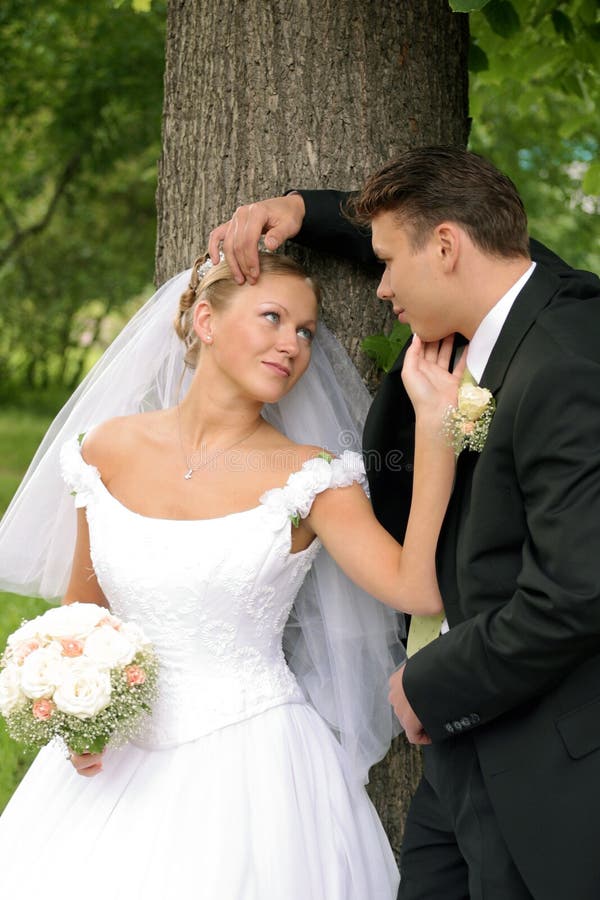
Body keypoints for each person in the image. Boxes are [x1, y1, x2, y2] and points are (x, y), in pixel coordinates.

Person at [0, 250, 463, 898]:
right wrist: (79, 718)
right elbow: (82, 615)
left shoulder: (313, 477)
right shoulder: (106, 449)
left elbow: (416, 588)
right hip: (112, 764)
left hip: (253, 769)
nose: (292, 345)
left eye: (306, 331)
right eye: (273, 318)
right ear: (205, 321)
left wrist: (438, 434)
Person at [209, 146, 600, 899]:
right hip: (466, 744)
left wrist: (431, 683)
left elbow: (576, 592)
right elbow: (435, 231)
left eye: (388, 262)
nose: (381, 284)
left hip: (546, 755)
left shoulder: (570, 360)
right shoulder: (512, 303)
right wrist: (304, 212)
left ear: (446, 248)